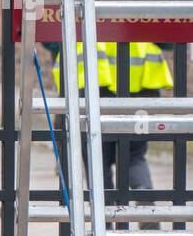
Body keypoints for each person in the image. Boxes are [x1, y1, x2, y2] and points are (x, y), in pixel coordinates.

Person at [52, 40, 174, 190]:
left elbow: (51, 39)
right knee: (133, 152)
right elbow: (168, 42)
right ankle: (143, 192)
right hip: (141, 83)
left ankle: (105, 205)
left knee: (96, 153)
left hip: (97, 82)